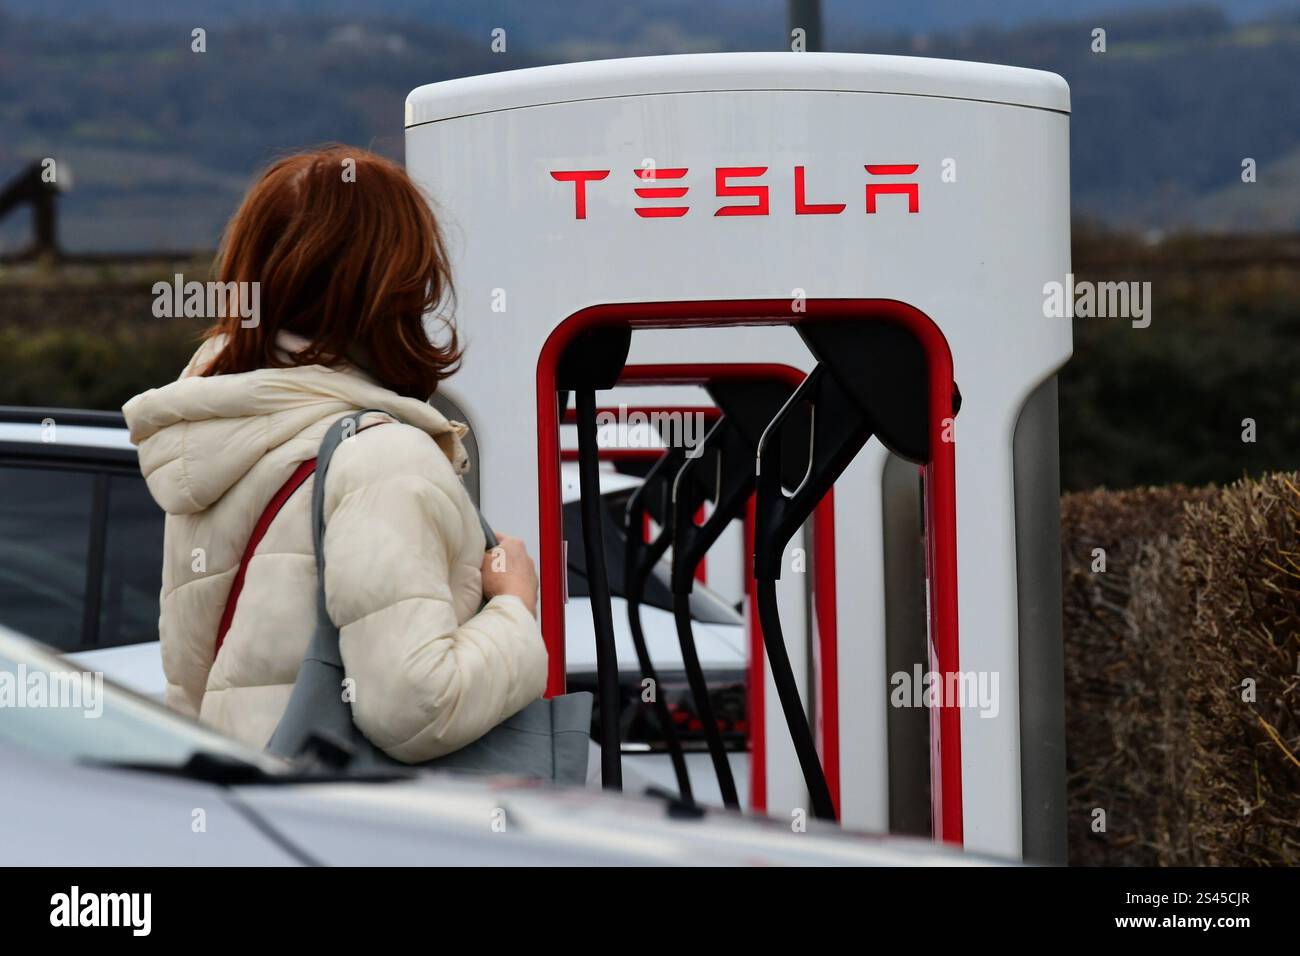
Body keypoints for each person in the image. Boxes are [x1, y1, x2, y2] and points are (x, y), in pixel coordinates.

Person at [122, 145, 549, 762]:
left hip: (250, 818)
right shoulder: (382, 457)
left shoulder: (218, 437)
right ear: (399, 284)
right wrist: (513, 606)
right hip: (349, 827)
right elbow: (414, 706)